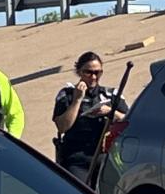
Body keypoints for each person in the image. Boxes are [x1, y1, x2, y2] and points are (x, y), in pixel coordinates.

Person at [52, 51, 128, 184]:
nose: (93, 77)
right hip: (76, 160)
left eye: (97, 73)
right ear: (79, 72)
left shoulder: (111, 95)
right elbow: (62, 127)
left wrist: (111, 112)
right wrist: (77, 100)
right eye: (88, 72)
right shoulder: (67, 95)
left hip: (105, 158)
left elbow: (129, 121)